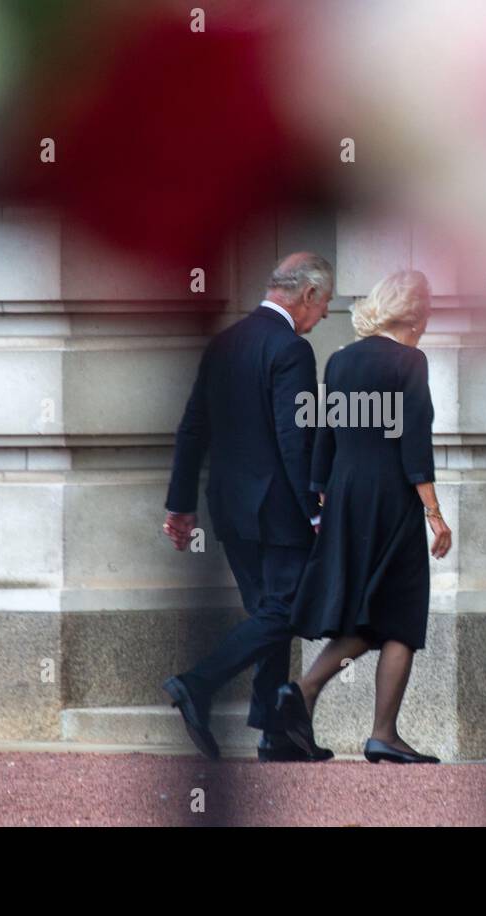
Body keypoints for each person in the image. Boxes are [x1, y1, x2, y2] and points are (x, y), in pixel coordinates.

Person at [160, 252, 335, 762]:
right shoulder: (291, 349)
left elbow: (192, 427)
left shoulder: (223, 343)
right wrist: (315, 508)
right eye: (323, 305)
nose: (323, 316)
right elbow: (293, 437)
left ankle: (273, 731)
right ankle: (198, 682)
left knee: (267, 613)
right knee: (285, 610)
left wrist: (181, 504)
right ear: (306, 296)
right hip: (278, 510)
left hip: (230, 510)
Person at [276, 270, 451, 764]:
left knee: (371, 611)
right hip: (390, 496)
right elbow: (415, 444)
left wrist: (323, 495)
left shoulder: (342, 359)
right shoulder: (410, 361)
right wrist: (434, 513)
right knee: (402, 612)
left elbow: (325, 434)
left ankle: (307, 692)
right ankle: (381, 733)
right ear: (417, 313)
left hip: (346, 494)